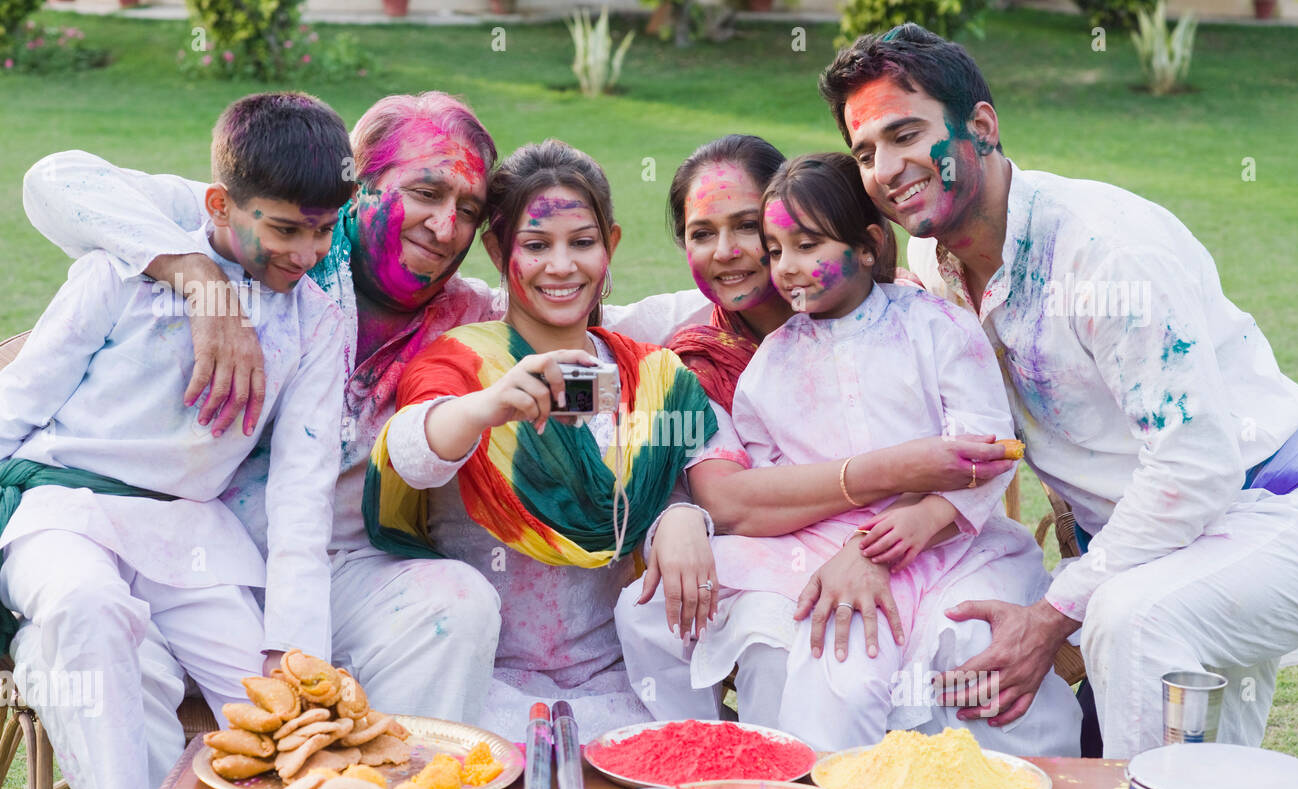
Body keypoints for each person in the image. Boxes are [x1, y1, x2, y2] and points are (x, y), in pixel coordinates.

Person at [21, 92, 711, 724]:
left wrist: (682, 501)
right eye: (426, 191)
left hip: (341, 570)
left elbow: (593, 319)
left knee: (457, 603)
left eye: (468, 208)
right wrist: (202, 282)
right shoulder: (278, 236)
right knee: (112, 652)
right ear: (359, 187)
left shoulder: (470, 320)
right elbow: (56, 180)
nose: (445, 226)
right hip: (197, 546)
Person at [821, 24, 1298, 756]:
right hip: (1161, 541)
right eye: (865, 152)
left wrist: (1052, 615)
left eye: (906, 134)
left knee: (1131, 620)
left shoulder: (1107, 255)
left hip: (1262, 506)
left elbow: (1193, 466)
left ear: (981, 126)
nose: (886, 169)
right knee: (1211, 785)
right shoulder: (936, 254)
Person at [625, 151, 1081, 754]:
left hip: (941, 540)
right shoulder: (766, 364)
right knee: (645, 607)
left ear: (867, 246)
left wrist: (916, 520)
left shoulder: (934, 325)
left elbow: (988, 448)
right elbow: (765, 482)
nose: (784, 267)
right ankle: (699, 759)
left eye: (807, 246)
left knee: (855, 661)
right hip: (818, 542)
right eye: (778, 249)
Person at [0, 92, 351, 789]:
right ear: (219, 204)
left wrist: (292, 644)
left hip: (192, 540)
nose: (307, 252)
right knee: (85, 611)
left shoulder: (317, 320)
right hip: (64, 512)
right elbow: (16, 403)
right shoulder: (121, 269)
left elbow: (301, 486)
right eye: (286, 228)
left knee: (289, 717)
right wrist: (199, 279)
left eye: (323, 232)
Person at [363, 140, 722, 741]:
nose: (562, 267)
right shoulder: (460, 365)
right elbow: (412, 456)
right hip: (485, 694)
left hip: (624, 690)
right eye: (536, 246)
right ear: (498, 251)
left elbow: (683, 479)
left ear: (611, 245)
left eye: (582, 243)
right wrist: (488, 406)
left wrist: (683, 515)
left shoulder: (653, 376)